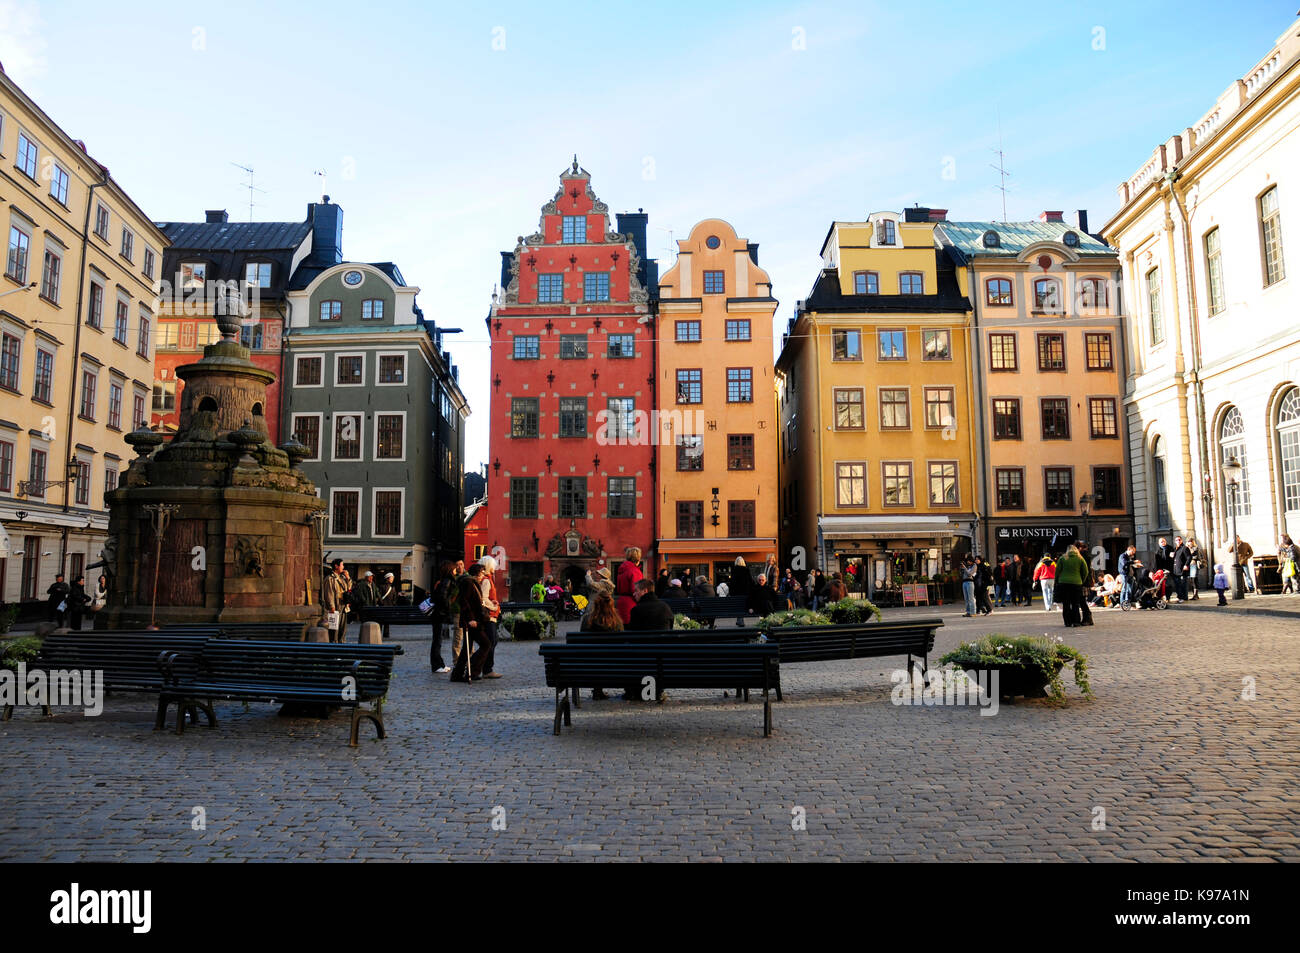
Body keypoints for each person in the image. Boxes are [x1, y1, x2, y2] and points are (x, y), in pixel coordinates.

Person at [579, 587, 623, 700]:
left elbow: (581, 643)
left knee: (594, 657)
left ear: (596, 603)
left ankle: (597, 690)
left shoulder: (587, 620)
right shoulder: (617, 622)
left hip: (589, 665)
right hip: (615, 665)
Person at [450, 564, 491, 682]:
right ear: (477, 573)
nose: (483, 575)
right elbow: (464, 601)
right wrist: (470, 619)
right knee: (486, 644)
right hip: (472, 621)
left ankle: (457, 674)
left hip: (474, 620)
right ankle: (473, 670)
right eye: (482, 573)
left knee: (466, 648)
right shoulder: (468, 583)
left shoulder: (471, 582)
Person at [428, 561, 457, 674]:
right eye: (454, 569)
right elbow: (442, 597)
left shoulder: (445, 580)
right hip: (439, 613)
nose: (455, 570)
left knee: (438, 639)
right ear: (450, 570)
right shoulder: (447, 581)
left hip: (438, 613)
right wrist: (448, 607)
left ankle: (440, 664)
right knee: (437, 640)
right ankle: (436, 666)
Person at [477, 555, 503, 679]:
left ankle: (484, 667)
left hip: (490, 616)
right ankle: (487, 669)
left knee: (492, 641)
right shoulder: (486, 580)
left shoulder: (487, 579)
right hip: (489, 616)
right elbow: (483, 598)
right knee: (491, 642)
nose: (495, 567)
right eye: (493, 565)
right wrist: (494, 607)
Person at [1054, 544, 1088, 627]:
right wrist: (1081, 580)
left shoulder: (1062, 558)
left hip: (1064, 583)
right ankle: (1076, 621)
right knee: (1075, 603)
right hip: (1076, 583)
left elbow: (1057, 571)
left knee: (1066, 603)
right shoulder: (1080, 559)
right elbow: (1085, 571)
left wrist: (1057, 581)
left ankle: (1067, 622)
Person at [615, 547, 644, 625]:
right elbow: (636, 590)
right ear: (638, 558)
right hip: (631, 604)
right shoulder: (635, 571)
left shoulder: (622, 569)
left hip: (621, 601)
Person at [324, 559, 348, 643]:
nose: (343, 567)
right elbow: (329, 593)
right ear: (336, 566)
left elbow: (348, 589)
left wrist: (348, 578)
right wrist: (332, 606)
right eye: (342, 565)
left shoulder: (342, 578)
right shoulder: (330, 578)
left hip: (343, 606)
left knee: (342, 629)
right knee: (334, 630)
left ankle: (341, 644)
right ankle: (335, 645)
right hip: (335, 606)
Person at [1171, 535, 1191, 603]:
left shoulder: (1185, 548)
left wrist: (1186, 565)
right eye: (1176, 540)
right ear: (1175, 541)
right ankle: (1180, 597)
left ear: (1181, 540)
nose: (1178, 541)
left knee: (1183, 584)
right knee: (1177, 584)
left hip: (1182, 569)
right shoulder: (1175, 549)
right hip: (1176, 570)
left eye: (1179, 540)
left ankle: (1184, 597)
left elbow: (1189, 557)